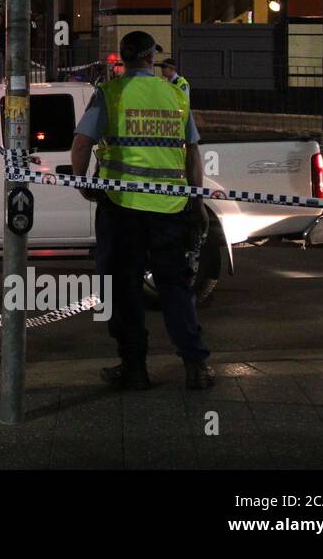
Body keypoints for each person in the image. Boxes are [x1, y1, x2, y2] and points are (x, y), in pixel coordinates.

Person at [71, 31, 214, 391]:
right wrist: (196, 201)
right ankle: (195, 366)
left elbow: (81, 143)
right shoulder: (175, 94)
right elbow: (192, 153)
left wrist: (82, 181)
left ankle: (135, 367)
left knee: (123, 288)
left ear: (123, 58)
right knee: (176, 288)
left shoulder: (110, 94)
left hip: (123, 209)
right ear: (151, 58)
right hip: (170, 207)